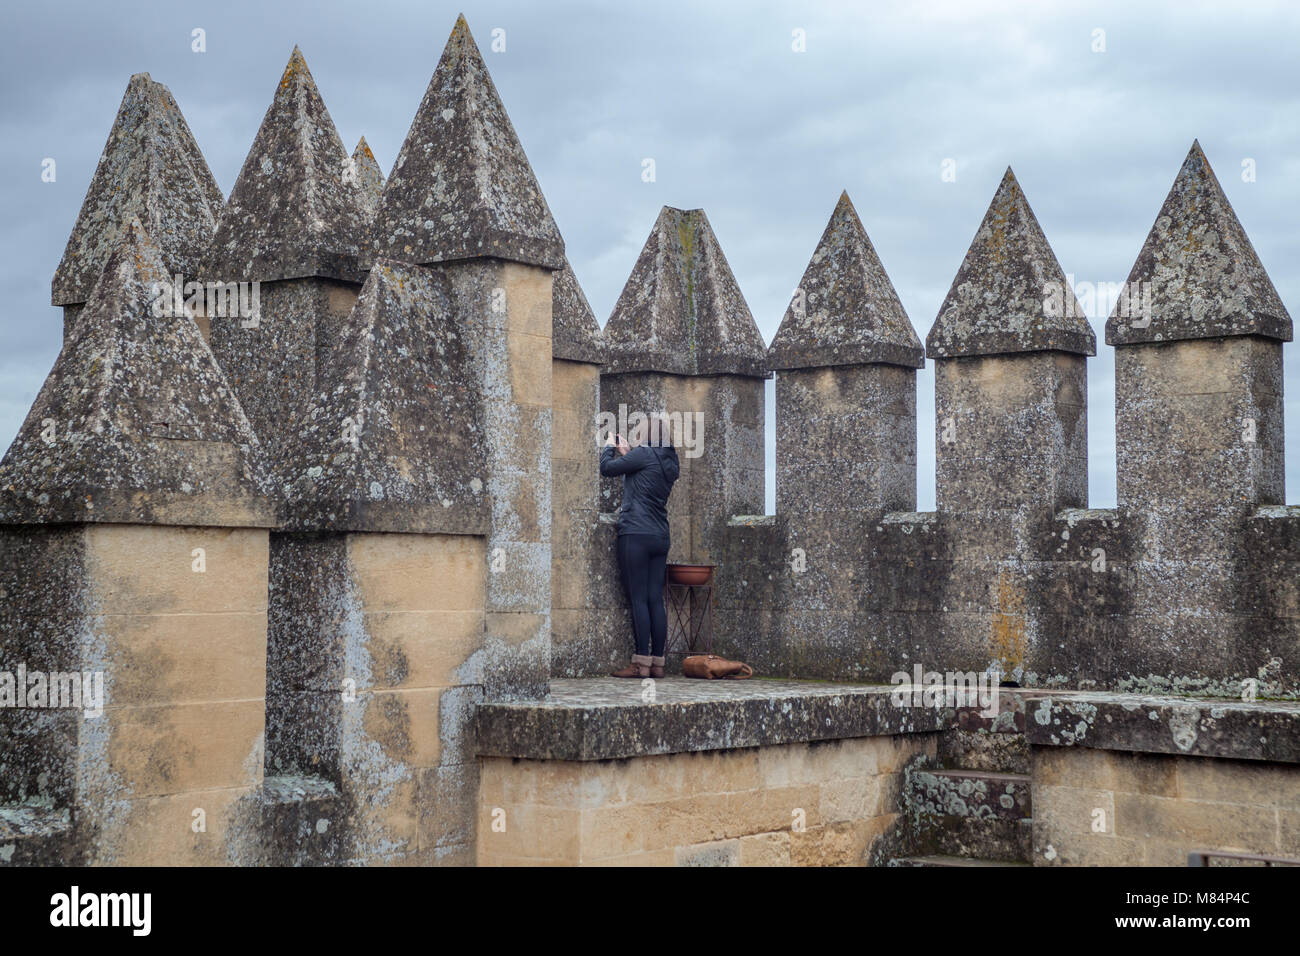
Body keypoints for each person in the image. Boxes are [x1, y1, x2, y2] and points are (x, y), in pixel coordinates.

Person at [600, 412, 680, 678]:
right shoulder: (670, 461)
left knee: (638, 599)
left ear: (646, 436)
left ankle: (640, 663)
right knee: (655, 599)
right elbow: (644, 470)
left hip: (636, 532)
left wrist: (609, 446)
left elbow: (607, 469)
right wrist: (628, 453)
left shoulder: (644, 455)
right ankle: (658, 664)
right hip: (660, 535)